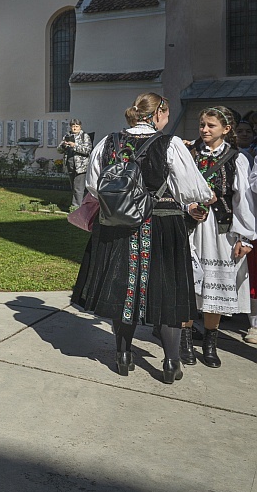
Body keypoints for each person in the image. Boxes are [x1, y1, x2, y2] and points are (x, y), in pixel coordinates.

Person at [72, 93, 214, 384]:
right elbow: (193, 191)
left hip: (116, 224)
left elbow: (93, 186)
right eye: (167, 113)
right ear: (158, 113)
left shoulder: (108, 142)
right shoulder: (170, 144)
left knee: (123, 287)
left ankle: (123, 355)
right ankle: (171, 361)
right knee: (168, 290)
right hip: (162, 224)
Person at [185, 106, 255, 366]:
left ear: (226, 129)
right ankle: (185, 340)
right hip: (191, 229)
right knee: (189, 286)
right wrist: (189, 207)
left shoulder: (238, 159)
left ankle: (211, 344)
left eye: (210, 126)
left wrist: (245, 237)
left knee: (217, 290)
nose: (204, 129)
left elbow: (243, 201)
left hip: (221, 230)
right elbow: (176, 189)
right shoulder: (189, 154)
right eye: (202, 124)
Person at [61, 118, 93, 209]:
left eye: (76, 126)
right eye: (73, 126)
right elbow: (59, 150)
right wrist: (63, 146)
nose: (74, 128)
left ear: (80, 127)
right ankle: (76, 205)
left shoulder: (85, 136)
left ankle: (76, 207)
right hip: (70, 164)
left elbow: (87, 150)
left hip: (81, 166)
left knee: (78, 188)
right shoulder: (67, 136)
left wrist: (74, 146)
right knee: (73, 187)